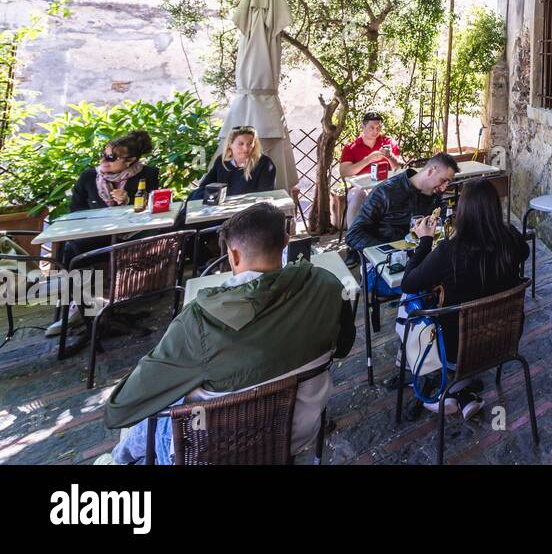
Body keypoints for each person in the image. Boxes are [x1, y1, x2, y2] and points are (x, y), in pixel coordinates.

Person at [103, 202, 356, 464]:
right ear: (286, 242)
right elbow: (344, 347)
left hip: (209, 452)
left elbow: (119, 410)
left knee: (157, 409)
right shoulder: (327, 286)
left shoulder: (199, 322)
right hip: (294, 435)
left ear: (233, 256)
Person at [397, 179, 528, 421]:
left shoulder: (450, 251)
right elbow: (524, 252)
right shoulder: (510, 237)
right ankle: (462, 393)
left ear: (462, 211)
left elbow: (408, 282)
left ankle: (434, 382)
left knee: (410, 299)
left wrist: (424, 240)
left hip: (457, 350)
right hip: (503, 339)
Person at [46, 130, 160, 337]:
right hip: (96, 234)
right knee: (72, 250)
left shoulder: (147, 174)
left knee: (75, 251)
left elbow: (153, 210)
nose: (103, 161)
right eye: (103, 154)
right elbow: (76, 210)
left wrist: (128, 202)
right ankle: (83, 309)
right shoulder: (90, 176)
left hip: (132, 236)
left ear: (130, 160)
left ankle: (87, 311)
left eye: (111, 157)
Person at [344, 152, 457, 253]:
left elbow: (445, 219)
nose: (444, 188)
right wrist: (393, 251)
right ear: (431, 171)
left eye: (448, 182)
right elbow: (353, 235)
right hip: (385, 264)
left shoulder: (434, 193)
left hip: (420, 258)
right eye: (443, 180)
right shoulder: (385, 191)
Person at [339, 112, 405, 227]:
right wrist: (368, 160)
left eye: (378, 127)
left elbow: (400, 168)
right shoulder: (351, 147)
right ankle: (353, 236)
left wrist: (390, 156)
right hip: (359, 188)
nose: (376, 131)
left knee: (398, 192)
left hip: (385, 186)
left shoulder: (388, 143)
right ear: (363, 127)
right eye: (372, 127)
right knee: (358, 194)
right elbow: (344, 173)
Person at [188, 125, 277, 201]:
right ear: (230, 144)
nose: (245, 149)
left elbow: (265, 195)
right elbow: (205, 187)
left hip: (248, 214)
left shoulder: (264, 163)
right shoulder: (222, 161)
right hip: (219, 211)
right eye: (241, 144)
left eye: (249, 143)